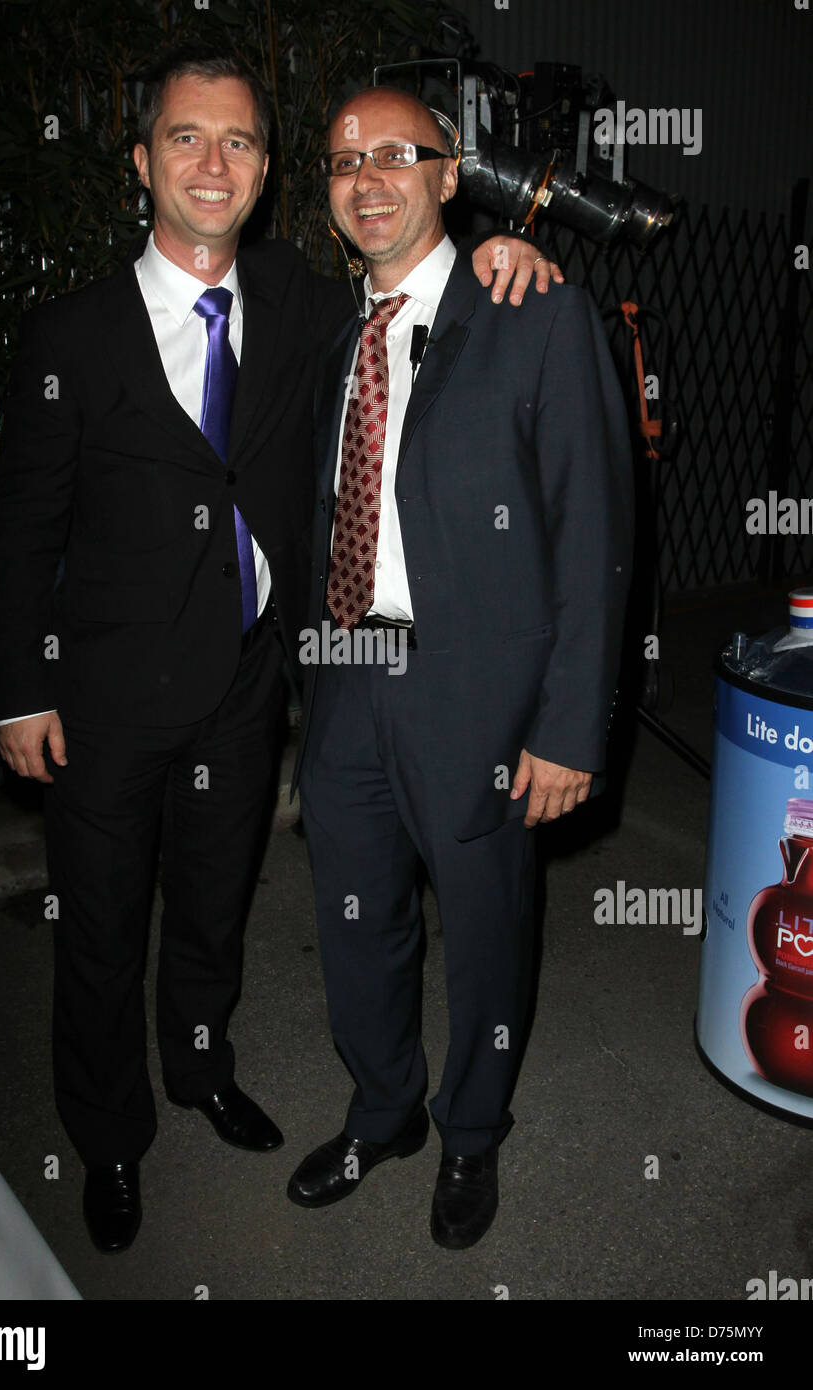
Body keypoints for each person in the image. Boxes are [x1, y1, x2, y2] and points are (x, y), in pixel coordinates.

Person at [0, 50, 555, 1253]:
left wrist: (506, 244)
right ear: (142, 163)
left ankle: (199, 1069)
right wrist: (20, 692)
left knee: (209, 911)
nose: (212, 161)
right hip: (103, 697)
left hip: (251, 686)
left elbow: (423, 279)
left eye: (238, 141)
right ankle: (110, 1137)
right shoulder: (66, 334)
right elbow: (20, 532)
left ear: (264, 169)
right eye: (185, 138)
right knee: (97, 930)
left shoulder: (299, 299)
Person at [289, 86, 634, 1250]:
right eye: (344, 158)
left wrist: (570, 727)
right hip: (347, 673)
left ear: (450, 176)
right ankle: (382, 1108)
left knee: (486, 929)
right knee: (355, 919)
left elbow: (591, 531)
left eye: (398, 152)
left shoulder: (533, 313)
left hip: (479, 693)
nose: (368, 174)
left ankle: (470, 1131)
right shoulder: (339, 333)